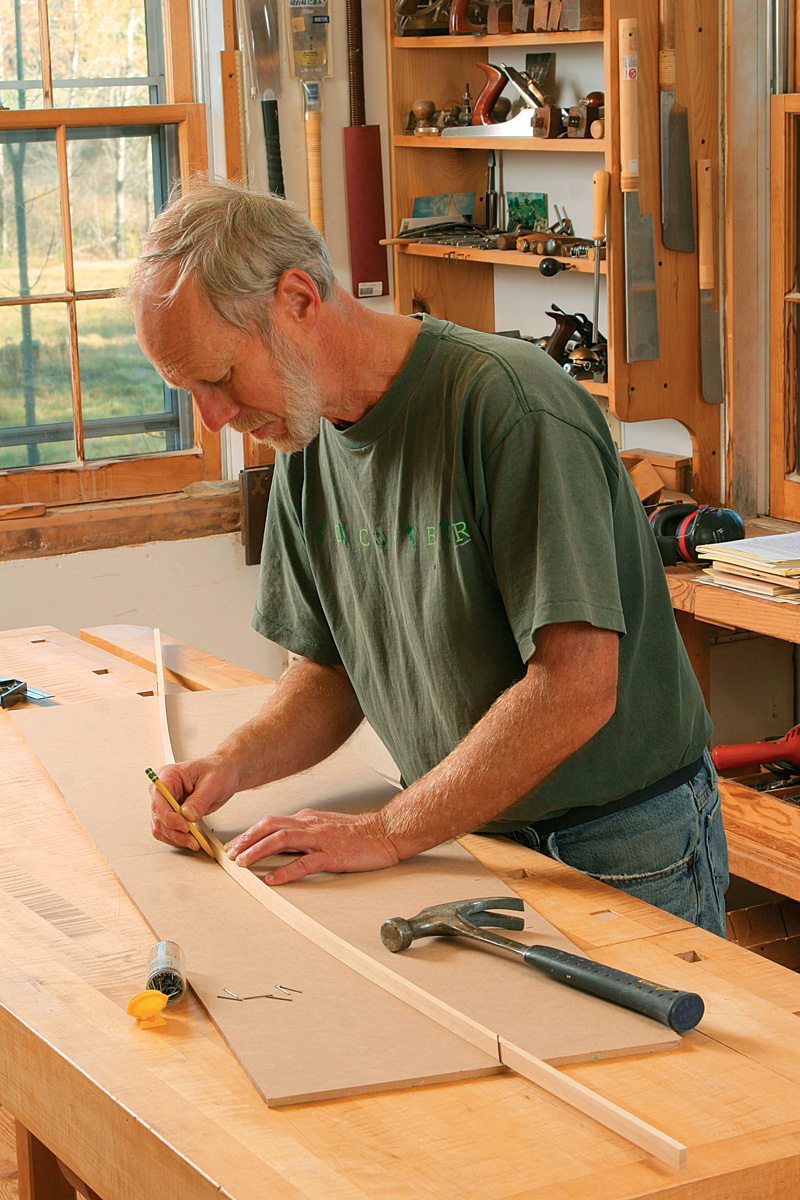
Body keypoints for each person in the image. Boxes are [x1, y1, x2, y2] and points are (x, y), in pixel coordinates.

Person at [129, 179, 729, 936]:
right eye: (186, 392)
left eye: (217, 378)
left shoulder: (509, 406)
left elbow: (577, 687)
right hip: (461, 831)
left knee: (662, 1058)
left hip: (614, 841)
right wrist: (231, 765)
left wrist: (385, 831)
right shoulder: (305, 439)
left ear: (298, 300)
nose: (216, 417)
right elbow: (327, 670)